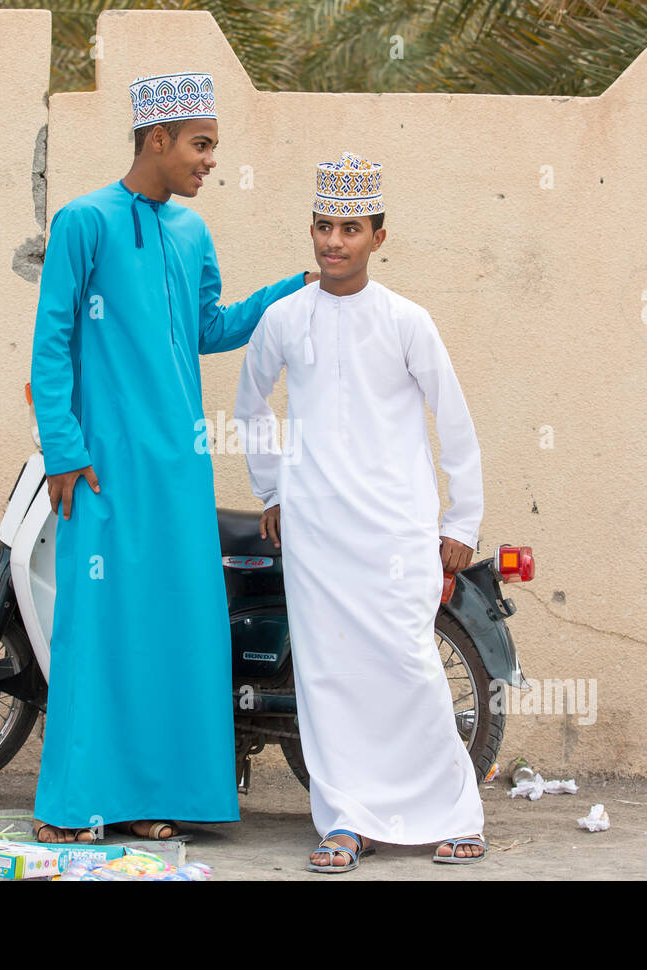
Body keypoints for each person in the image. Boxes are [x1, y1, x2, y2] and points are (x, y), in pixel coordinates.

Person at [28, 71, 317, 844]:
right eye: (201, 144)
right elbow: (52, 342)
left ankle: (154, 798)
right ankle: (78, 804)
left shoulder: (191, 234)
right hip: (100, 469)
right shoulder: (81, 222)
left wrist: (288, 292)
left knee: (174, 629)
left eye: (213, 146)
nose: (210, 160)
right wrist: (62, 447)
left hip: (178, 470)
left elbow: (208, 328)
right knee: (98, 627)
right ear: (157, 138)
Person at [233, 152, 487, 871]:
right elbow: (250, 406)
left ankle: (452, 811)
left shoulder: (408, 321)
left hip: (396, 528)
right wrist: (274, 490)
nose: (333, 242)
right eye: (322, 226)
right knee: (328, 678)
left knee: (409, 666)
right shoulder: (283, 319)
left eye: (349, 227)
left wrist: (461, 521)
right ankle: (347, 819)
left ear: (378, 236)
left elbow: (454, 419)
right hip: (316, 529)